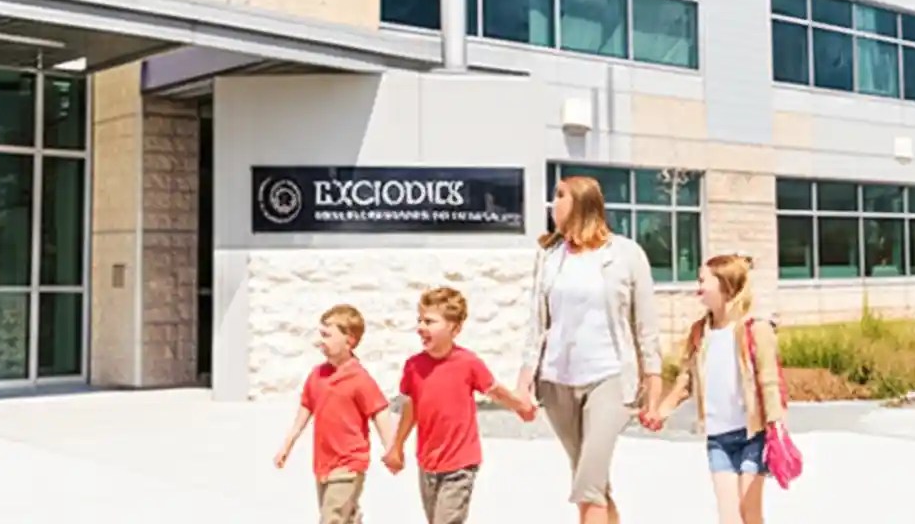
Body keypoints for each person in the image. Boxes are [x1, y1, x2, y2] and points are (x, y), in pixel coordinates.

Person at [515, 175, 664, 524]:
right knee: (590, 478)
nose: (553, 203)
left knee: (589, 485)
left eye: (560, 196)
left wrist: (654, 389)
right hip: (556, 382)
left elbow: (646, 326)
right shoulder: (549, 257)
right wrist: (524, 382)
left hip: (608, 378)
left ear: (582, 202)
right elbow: (537, 324)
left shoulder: (625, 254)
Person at [648, 254, 785, 524]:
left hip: (752, 436)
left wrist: (776, 426)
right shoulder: (700, 332)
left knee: (749, 511)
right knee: (728, 516)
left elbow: (769, 381)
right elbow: (686, 380)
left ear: (725, 285)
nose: (698, 287)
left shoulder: (754, 329)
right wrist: (662, 411)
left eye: (703, 281)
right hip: (718, 439)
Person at [383, 287, 536, 524]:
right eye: (420, 320)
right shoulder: (413, 366)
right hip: (427, 464)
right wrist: (397, 446)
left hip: (460, 464)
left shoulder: (468, 363)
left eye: (429, 321)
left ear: (454, 329)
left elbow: (495, 390)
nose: (421, 327)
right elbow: (410, 410)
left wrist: (520, 405)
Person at [274, 304, 395, 524]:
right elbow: (306, 407)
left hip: (349, 464)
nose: (321, 341)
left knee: (332, 517)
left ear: (349, 340)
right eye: (321, 334)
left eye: (327, 335)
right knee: (345, 516)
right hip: (323, 463)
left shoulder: (359, 378)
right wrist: (288, 443)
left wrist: (391, 449)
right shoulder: (317, 375)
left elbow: (379, 411)